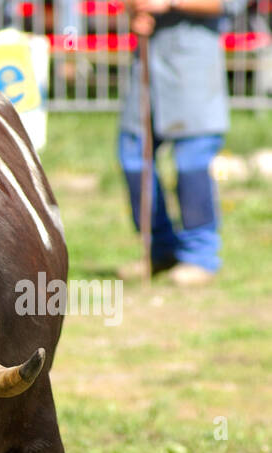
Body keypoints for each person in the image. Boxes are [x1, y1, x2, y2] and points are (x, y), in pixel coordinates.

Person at [118, 0, 246, 286]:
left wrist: (169, 2)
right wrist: (135, 12)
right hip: (148, 67)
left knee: (192, 163)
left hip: (193, 71)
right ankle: (159, 249)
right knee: (132, 155)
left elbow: (228, 5)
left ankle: (200, 256)